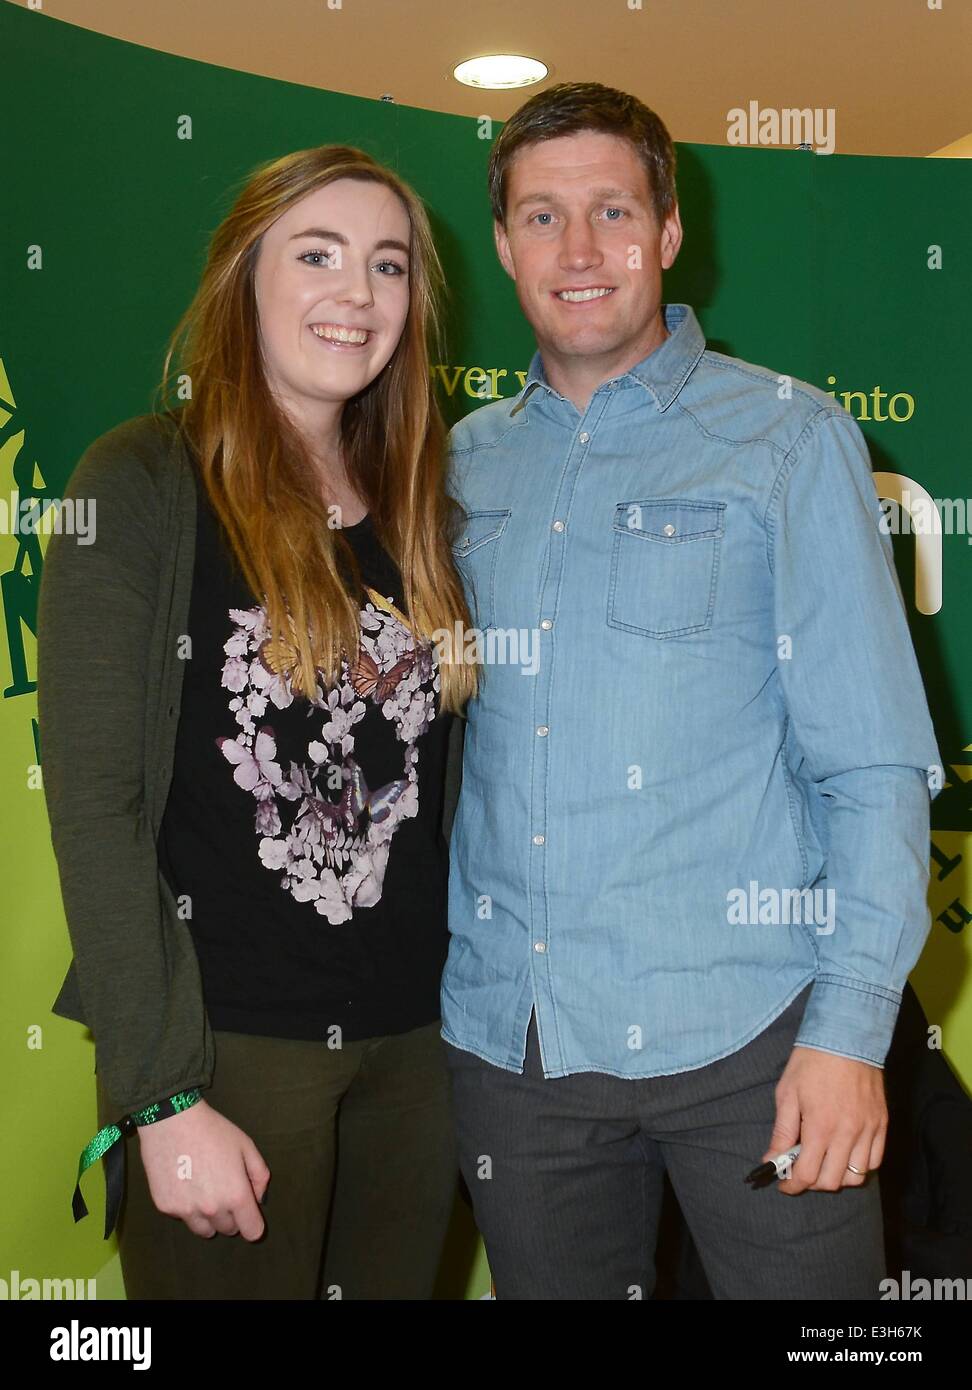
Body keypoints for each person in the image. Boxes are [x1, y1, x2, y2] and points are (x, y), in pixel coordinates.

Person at [441, 82, 943, 1300]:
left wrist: (849, 1031)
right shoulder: (453, 462)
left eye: (612, 211)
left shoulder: (788, 439)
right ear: (504, 243)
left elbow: (874, 764)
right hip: (517, 1047)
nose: (579, 250)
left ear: (669, 234)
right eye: (542, 216)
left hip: (756, 1045)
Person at [38, 144, 477, 1300]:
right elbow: (95, 808)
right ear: (244, 277)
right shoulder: (137, 481)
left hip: (418, 1053)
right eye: (318, 253)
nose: (358, 293)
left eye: (389, 265)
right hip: (227, 1053)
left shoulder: (430, 508)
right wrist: (162, 1094)